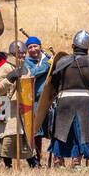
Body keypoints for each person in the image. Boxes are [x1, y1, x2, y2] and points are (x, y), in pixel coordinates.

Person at [46, 30, 89, 168]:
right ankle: (77, 161)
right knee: (81, 132)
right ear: (87, 47)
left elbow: (54, 80)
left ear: (73, 45)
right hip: (85, 102)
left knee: (61, 131)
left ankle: (58, 159)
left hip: (65, 100)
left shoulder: (63, 61)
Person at [0, 41, 33, 167]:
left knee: (23, 135)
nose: (22, 56)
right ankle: (7, 164)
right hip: (7, 106)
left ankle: (33, 163)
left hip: (22, 107)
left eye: (23, 53)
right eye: (20, 53)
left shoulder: (25, 69)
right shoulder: (5, 68)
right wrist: (10, 78)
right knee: (9, 135)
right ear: (13, 53)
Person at [22, 36, 52, 166]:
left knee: (52, 129)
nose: (33, 49)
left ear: (40, 46)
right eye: (30, 47)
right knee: (36, 132)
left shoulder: (48, 59)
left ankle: (56, 160)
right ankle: (37, 160)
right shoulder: (26, 62)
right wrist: (46, 65)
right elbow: (31, 73)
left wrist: (52, 62)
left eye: (35, 46)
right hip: (35, 102)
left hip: (49, 100)